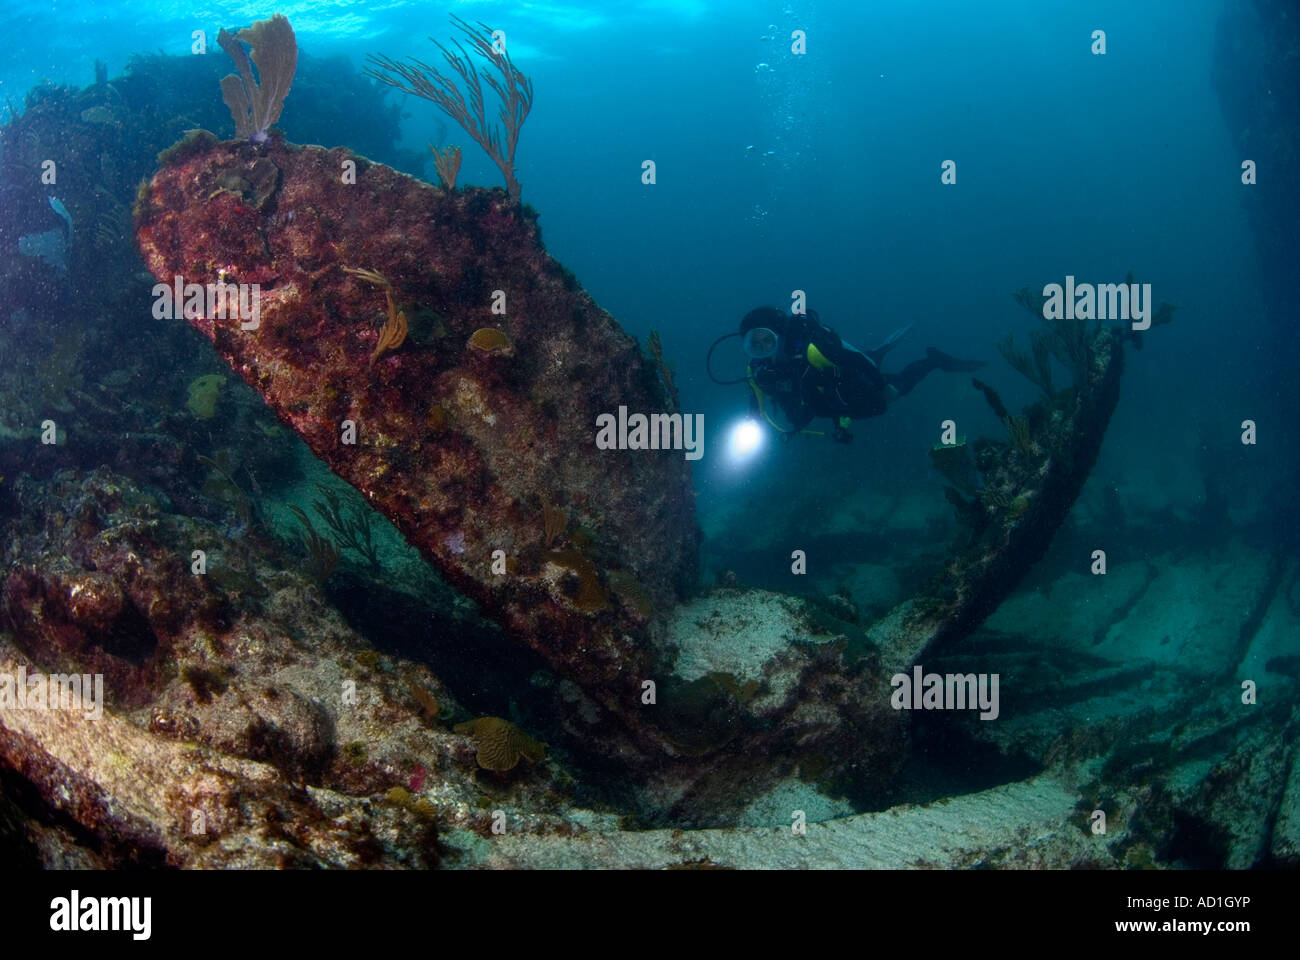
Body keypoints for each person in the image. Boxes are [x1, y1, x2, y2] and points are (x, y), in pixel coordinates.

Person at [739, 306, 985, 442]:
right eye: (754, 344)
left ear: (778, 336)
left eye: (767, 340)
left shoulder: (811, 350)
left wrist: (880, 388)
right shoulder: (759, 370)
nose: (762, 350)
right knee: (872, 360)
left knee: (889, 393)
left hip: (854, 386)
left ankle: (934, 361)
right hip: (830, 403)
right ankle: (879, 351)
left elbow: (858, 363)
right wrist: (753, 420)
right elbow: (758, 403)